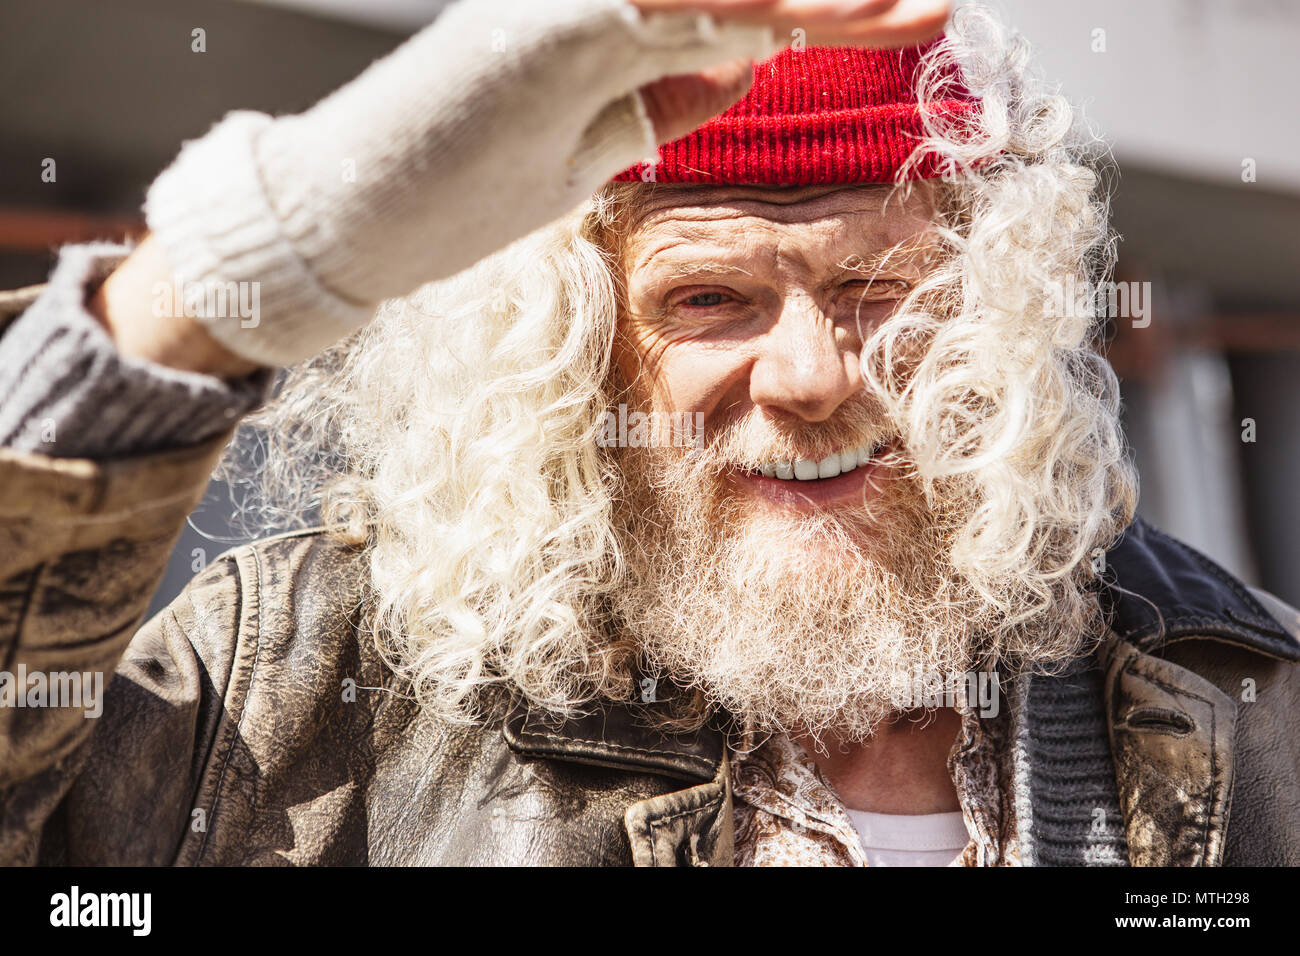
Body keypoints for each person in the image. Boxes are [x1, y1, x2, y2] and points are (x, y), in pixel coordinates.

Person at [1, 0, 1297, 867]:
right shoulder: (287, 685)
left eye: (880, 294)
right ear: (566, 354)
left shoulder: (1248, 701)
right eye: (709, 300)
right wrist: (260, 255)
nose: (810, 376)